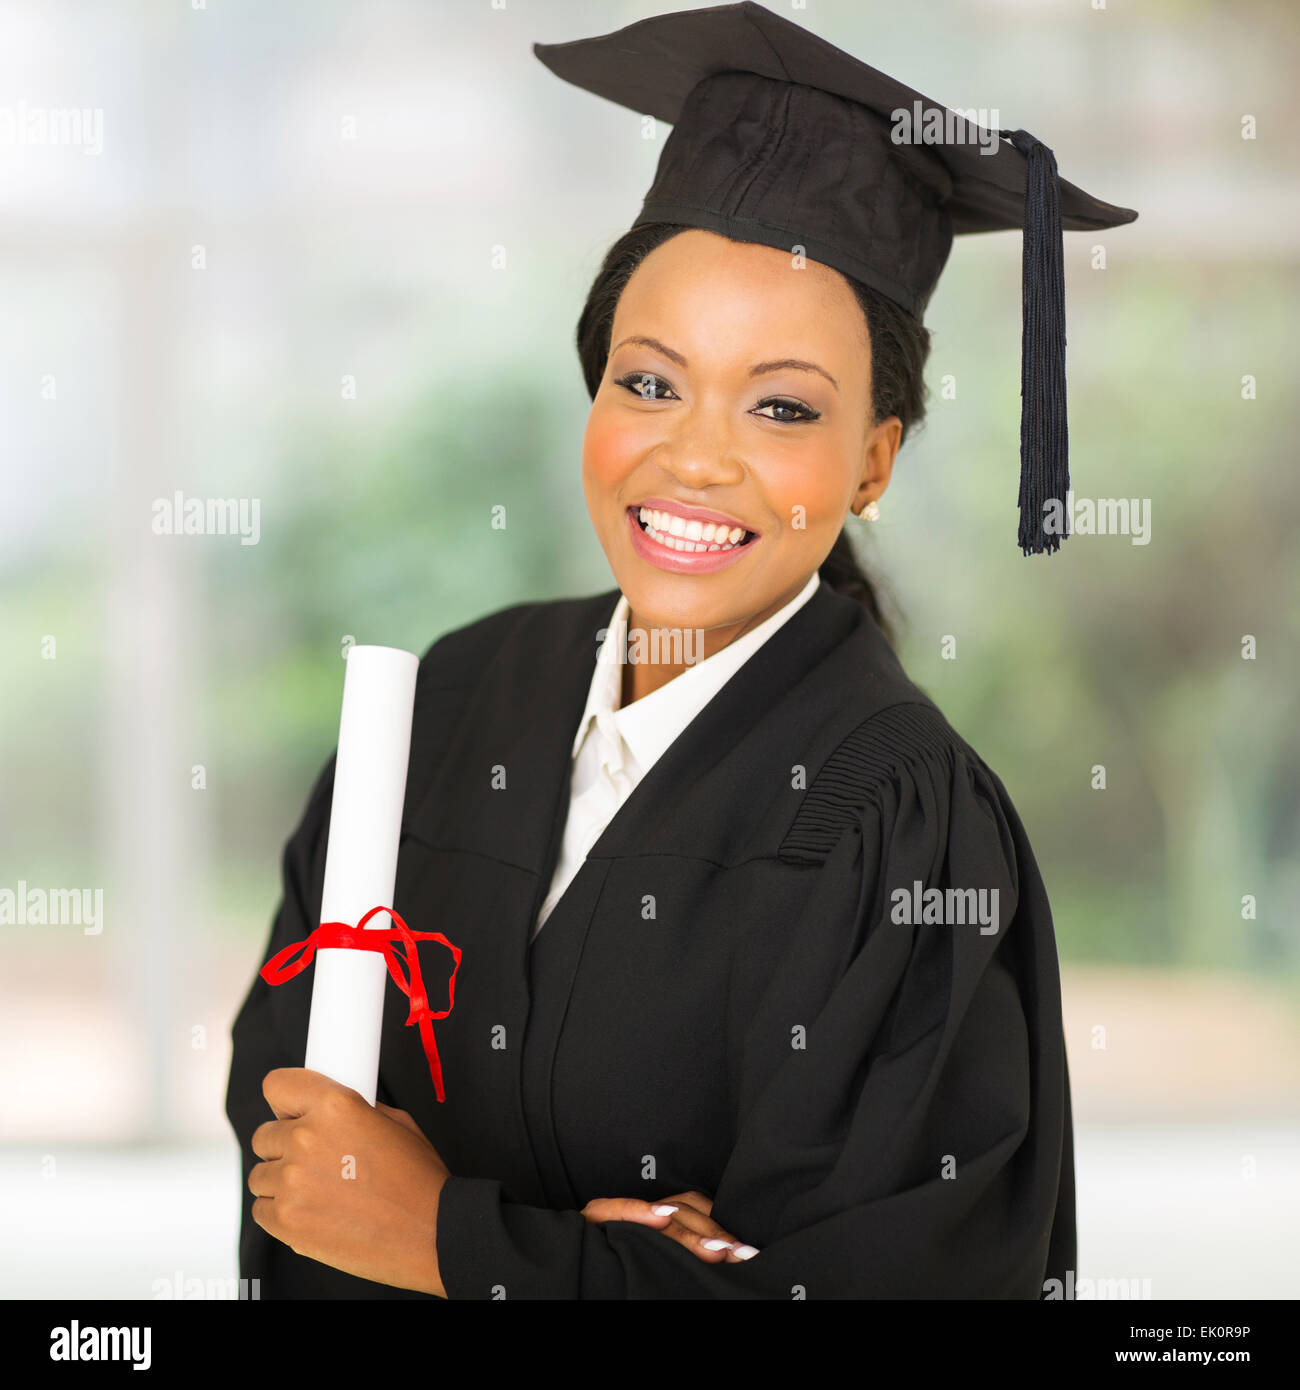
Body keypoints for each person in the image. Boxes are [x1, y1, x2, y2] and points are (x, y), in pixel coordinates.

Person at [225, 1, 1136, 1299]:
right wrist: (603, 1264)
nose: (696, 457)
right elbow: (296, 1165)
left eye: (782, 405)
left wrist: (456, 1238)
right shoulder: (451, 706)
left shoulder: (908, 828)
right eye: (650, 381)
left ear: (874, 457)